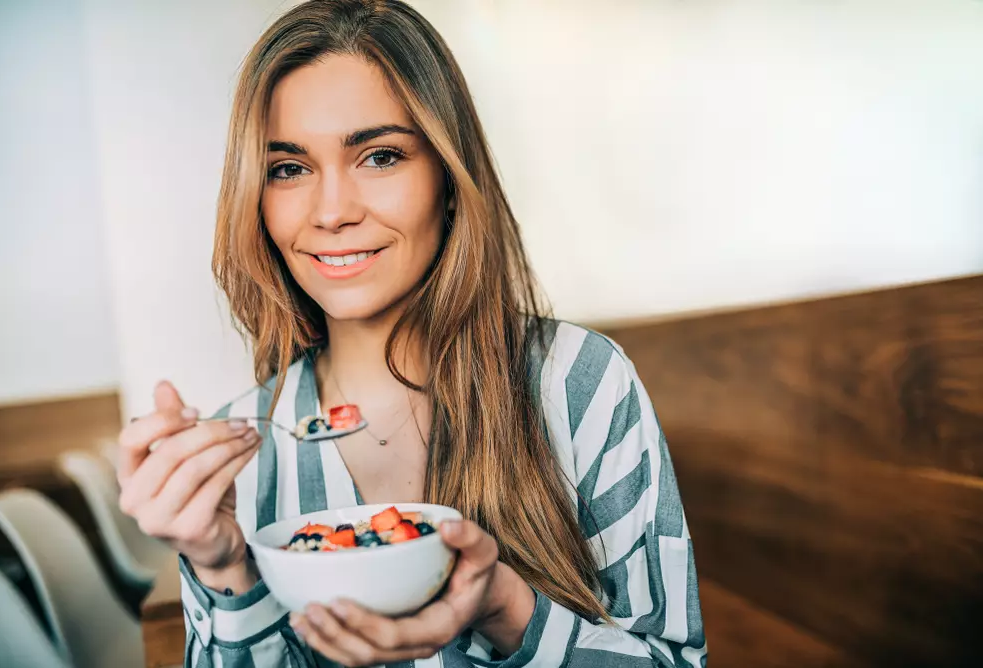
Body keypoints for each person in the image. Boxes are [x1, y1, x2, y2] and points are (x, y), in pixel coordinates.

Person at [116, 1, 707, 666]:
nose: (332, 212)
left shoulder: (579, 383)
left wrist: (506, 610)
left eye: (381, 156)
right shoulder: (239, 461)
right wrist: (225, 570)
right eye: (289, 168)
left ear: (449, 180)